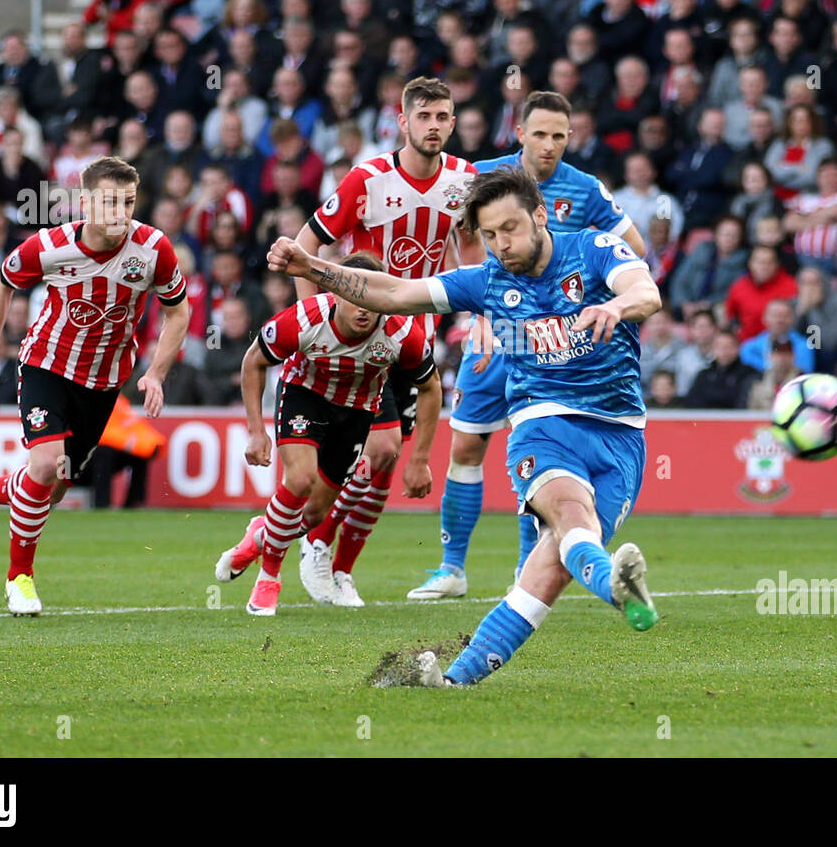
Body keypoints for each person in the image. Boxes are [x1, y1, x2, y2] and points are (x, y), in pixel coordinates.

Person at [267, 165, 662, 686]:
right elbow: (391, 294)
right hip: (542, 427)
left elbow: (646, 291)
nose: (502, 245)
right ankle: (613, 581)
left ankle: (457, 680)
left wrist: (615, 305)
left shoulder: (592, 250)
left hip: (621, 435)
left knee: (548, 571)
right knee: (569, 513)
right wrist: (313, 268)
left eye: (511, 229)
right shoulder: (486, 281)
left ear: (540, 216)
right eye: (490, 235)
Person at [228, 77, 476, 603]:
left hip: (411, 339)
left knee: (386, 456)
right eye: (424, 116)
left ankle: (334, 563)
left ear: (452, 124)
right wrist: (310, 314)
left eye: (443, 117)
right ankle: (313, 543)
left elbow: (472, 253)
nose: (434, 126)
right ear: (402, 122)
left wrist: (481, 318)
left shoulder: (465, 181)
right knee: (350, 470)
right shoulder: (367, 180)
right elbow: (305, 244)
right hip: (358, 335)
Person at [410, 90, 645, 601]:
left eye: (560, 136)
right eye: (540, 134)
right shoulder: (485, 175)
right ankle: (451, 568)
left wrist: (605, 288)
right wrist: (485, 309)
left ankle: (527, 568)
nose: (549, 145)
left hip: (557, 339)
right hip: (497, 329)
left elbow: (638, 249)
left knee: (540, 433)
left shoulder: (585, 190)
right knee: (468, 443)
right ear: (520, 133)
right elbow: (460, 237)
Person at [0, 156, 191, 615]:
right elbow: (2, 283)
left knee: (51, 489)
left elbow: (178, 310)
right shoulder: (49, 247)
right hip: (46, 367)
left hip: (104, 384)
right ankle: (19, 580)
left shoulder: (153, 248)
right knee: (49, 464)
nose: (120, 212)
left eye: (128, 202)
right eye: (110, 202)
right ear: (86, 203)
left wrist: (154, 371)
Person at [215, 252, 441, 612]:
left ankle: (260, 536)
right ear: (337, 295)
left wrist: (422, 459)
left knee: (314, 515)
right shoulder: (304, 320)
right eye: (355, 299)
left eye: (371, 300)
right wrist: (256, 431)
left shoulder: (400, 333)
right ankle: (269, 578)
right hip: (305, 397)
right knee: (300, 481)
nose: (364, 309)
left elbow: (431, 387)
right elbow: (254, 361)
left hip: (356, 411)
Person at [686, 327, 754, 409]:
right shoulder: (703, 375)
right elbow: (692, 403)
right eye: (719, 346)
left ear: (737, 348)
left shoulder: (748, 374)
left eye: (728, 346)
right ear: (713, 349)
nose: (724, 351)